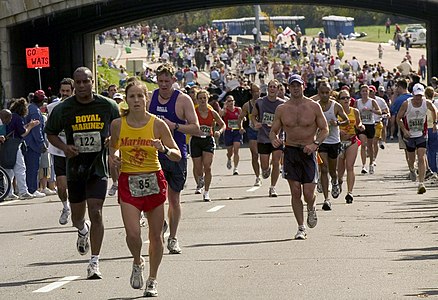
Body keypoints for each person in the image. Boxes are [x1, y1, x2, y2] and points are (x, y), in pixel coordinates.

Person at [45, 67, 120, 279]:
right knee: (78, 217)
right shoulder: (64, 108)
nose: (81, 86)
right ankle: (82, 229)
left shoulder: (108, 106)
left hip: (98, 168)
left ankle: (94, 262)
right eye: (77, 83)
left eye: (85, 82)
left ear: (92, 82)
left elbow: (120, 126)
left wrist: (112, 141)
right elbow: (50, 132)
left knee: (96, 212)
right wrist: (64, 147)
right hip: (75, 169)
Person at [109, 79, 181, 297]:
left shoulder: (157, 124)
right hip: (128, 181)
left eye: (140, 96)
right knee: (133, 234)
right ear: (127, 100)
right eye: (132, 96)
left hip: (153, 181)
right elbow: (113, 151)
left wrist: (164, 149)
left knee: (156, 236)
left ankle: (152, 279)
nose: (137, 100)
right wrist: (114, 159)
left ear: (146, 99)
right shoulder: (117, 124)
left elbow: (177, 155)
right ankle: (137, 260)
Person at [148, 63, 200, 254]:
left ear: (173, 81)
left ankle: (173, 238)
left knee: (174, 199)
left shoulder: (183, 100)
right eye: (160, 81)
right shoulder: (150, 98)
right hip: (154, 153)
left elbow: (196, 128)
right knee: (155, 198)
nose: (163, 85)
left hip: (176, 153)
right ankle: (160, 225)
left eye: (166, 81)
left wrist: (175, 126)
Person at [269, 74, 329, 240]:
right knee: (295, 191)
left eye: (298, 85)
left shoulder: (313, 106)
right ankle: (301, 227)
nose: (295, 88)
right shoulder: (282, 109)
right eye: (292, 85)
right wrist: (274, 139)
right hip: (290, 152)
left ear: (303, 86)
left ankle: (311, 207)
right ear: (288, 88)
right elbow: (273, 130)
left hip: (309, 152)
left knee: (308, 193)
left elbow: (325, 129)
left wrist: (315, 144)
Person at [396, 83, 438, 194]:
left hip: (422, 134)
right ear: (413, 94)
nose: (418, 98)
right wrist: (404, 130)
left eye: (420, 95)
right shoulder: (407, 104)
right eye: (417, 96)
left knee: (421, 157)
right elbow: (398, 118)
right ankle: (411, 169)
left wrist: (435, 123)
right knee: (411, 159)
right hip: (409, 135)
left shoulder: (426, 103)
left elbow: (434, 110)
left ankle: (421, 183)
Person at [317, 81, 349, 211]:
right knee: (323, 169)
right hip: (321, 141)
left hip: (334, 141)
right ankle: (326, 199)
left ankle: (335, 181)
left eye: (327, 93)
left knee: (332, 170)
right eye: (322, 93)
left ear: (330, 93)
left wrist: (337, 122)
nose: (324, 95)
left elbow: (346, 120)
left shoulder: (335, 106)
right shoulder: (316, 106)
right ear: (318, 93)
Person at [47, 78, 74, 224]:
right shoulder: (53, 108)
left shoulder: (79, 107)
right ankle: (65, 207)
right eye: (63, 91)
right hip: (58, 151)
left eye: (67, 91)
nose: (65, 94)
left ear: (73, 91)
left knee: (76, 185)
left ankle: (79, 210)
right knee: (62, 186)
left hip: (76, 152)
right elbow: (49, 129)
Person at [251, 79, 285, 197]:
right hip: (263, 137)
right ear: (267, 89)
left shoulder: (282, 103)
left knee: (276, 162)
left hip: (277, 137)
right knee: (264, 166)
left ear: (277, 89)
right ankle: (265, 170)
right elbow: (253, 115)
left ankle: (273, 187)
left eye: (274, 87)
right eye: (270, 87)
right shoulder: (260, 102)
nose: (271, 89)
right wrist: (255, 123)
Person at [190, 90, 225, 201]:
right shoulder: (193, 112)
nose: (202, 100)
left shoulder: (212, 112)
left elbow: (222, 124)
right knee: (198, 167)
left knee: (207, 167)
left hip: (208, 140)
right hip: (195, 140)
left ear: (207, 99)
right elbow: (187, 124)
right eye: (200, 98)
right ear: (197, 100)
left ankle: (206, 192)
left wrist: (219, 131)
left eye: (204, 98)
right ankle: (200, 179)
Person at [4, 99, 40, 200]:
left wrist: (28, 125)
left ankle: (8, 193)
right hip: (15, 145)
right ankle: (23, 191)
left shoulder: (10, 116)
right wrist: (31, 126)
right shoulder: (17, 117)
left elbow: (15, 130)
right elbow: (22, 133)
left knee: (9, 170)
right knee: (20, 168)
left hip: (6, 145)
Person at [336, 89, 364, 204]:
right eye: (343, 98)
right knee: (340, 169)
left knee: (350, 166)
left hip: (352, 141)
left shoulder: (355, 111)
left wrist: (361, 127)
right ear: (339, 101)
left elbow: (359, 123)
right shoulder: (335, 111)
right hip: (338, 142)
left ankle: (350, 192)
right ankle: (339, 181)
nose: (346, 100)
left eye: (348, 98)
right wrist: (338, 132)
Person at [24, 90, 47, 198]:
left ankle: (30, 188)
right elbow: (36, 130)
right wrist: (41, 143)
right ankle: (32, 189)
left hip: (28, 143)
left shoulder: (30, 108)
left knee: (30, 167)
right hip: (32, 144)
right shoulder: (35, 111)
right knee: (33, 167)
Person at [354, 85, 382, 174]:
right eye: (363, 91)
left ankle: (371, 164)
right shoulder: (357, 102)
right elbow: (353, 112)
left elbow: (380, 112)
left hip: (370, 124)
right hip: (361, 125)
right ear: (360, 92)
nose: (365, 93)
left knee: (370, 145)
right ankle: (363, 165)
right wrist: (359, 112)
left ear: (369, 92)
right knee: (363, 144)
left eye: (366, 91)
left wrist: (371, 110)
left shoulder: (372, 101)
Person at [238, 83, 261, 186]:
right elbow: (240, 118)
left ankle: (265, 168)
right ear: (251, 92)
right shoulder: (247, 105)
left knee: (265, 155)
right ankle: (257, 176)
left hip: (264, 132)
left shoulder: (264, 102)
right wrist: (241, 127)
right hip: (252, 131)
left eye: (258, 91)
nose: (257, 93)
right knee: (255, 154)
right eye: (255, 91)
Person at [221, 95, 243, 175]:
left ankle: (235, 168)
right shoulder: (225, 110)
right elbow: (220, 115)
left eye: (232, 101)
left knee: (236, 149)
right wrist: (224, 106)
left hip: (237, 131)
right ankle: (229, 158)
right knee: (230, 151)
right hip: (228, 132)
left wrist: (241, 126)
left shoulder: (238, 109)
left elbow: (241, 119)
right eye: (229, 101)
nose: (231, 103)